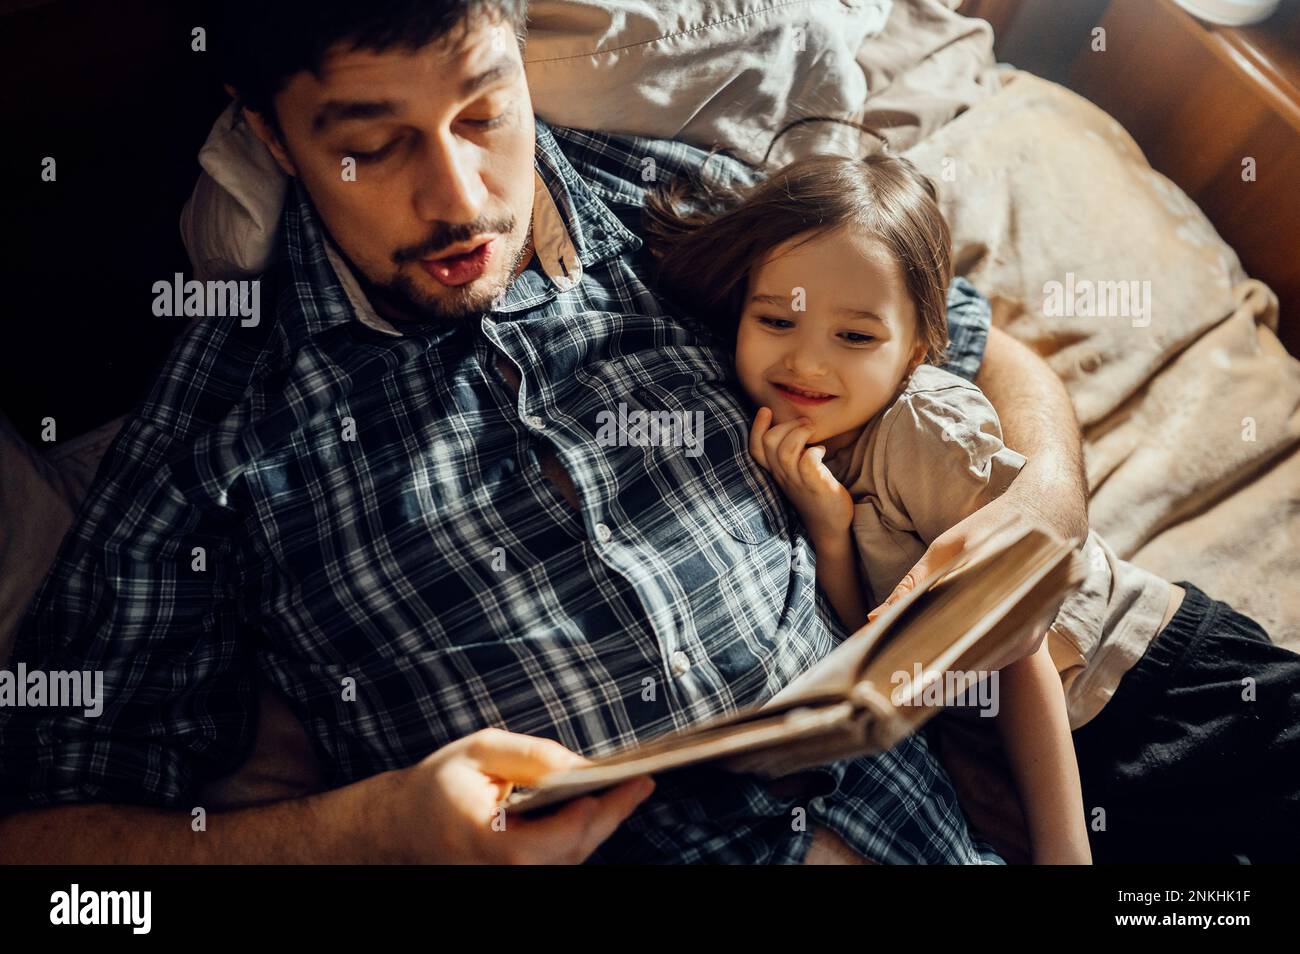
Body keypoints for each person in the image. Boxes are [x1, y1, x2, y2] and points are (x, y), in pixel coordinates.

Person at [0, 0, 1089, 864]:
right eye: (374, 147)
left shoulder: (673, 212)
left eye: (484, 113)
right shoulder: (220, 431)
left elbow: (978, 349)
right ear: (269, 137)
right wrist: (372, 835)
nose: (459, 197)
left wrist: (1038, 514)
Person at [641, 149, 1300, 864]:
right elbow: (874, 633)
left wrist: (1063, 851)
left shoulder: (924, 429)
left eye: (856, 336)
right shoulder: (802, 453)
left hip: (1158, 683)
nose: (806, 362)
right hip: (1068, 744)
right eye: (776, 320)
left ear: (918, 351)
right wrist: (829, 530)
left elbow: (1018, 633)